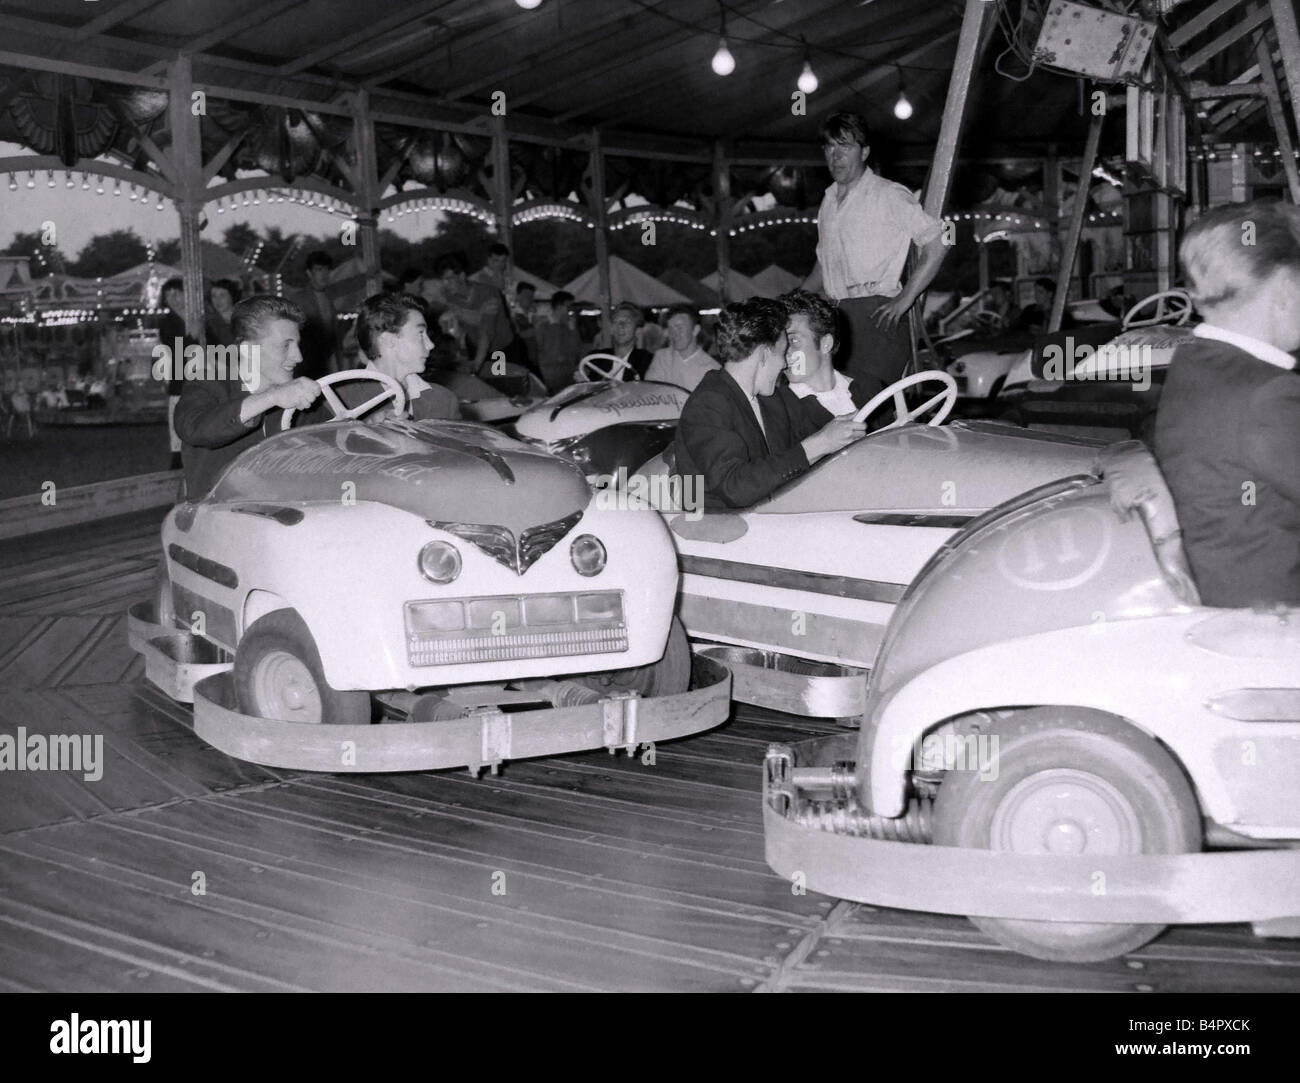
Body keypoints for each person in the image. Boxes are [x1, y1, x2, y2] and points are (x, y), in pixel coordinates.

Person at [1153, 199, 1300, 608]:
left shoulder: (1195, 364)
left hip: (1222, 592)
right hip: (1273, 617)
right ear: (1286, 288)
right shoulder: (1267, 393)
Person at [671, 298, 864, 511]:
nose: (784, 364)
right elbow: (735, 487)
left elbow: (812, 441)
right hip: (722, 530)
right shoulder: (708, 403)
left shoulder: (769, 400)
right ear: (764, 354)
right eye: (782, 354)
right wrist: (817, 445)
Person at [814, 112, 947, 389]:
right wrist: (792, 300)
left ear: (864, 152)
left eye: (845, 146)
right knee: (844, 410)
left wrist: (904, 299)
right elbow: (822, 264)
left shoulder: (888, 194)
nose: (835, 156)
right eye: (830, 147)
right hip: (837, 315)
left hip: (877, 314)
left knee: (876, 410)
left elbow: (937, 244)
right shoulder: (827, 202)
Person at [174, 295, 321, 499]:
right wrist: (270, 398)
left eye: (297, 345)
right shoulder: (209, 382)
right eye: (285, 345)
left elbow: (330, 433)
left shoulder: (296, 395)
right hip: (212, 515)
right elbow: (194, 428)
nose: (298, 357)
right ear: (248, 350)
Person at [331, 293, 459, 421]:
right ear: (388, 340)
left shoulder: (445, 400)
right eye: (420, 333)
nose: (430, 345)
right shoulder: (338, 400)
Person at [780, 289, 887, 412]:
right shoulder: (781, 408)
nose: (784, 352)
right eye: (781, 344)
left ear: (826, 343)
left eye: (793, 341)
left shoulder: (868, 385)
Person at [433, 251, 516, 375]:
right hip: (475, 346)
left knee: (501, 386)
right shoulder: (448, 294)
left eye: (449, 279)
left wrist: (476, 364)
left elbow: (487, 332)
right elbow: (435, 309)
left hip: (501, 350)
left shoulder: (489, 293)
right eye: (442, 280)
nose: (445, 284)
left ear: (461, 276)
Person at [158, 276, 194, 470]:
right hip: (180, 381)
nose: (173, 298)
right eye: (168, 294)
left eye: (177, 293)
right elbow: (177, 347)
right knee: (177, 428)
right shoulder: (167, 323)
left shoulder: (199, 318)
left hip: (203, 378)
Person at [645, 304, 720, 391]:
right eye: (670, 329)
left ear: (695, 330)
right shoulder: (662, 357)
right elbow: (650, 392)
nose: (674, 334)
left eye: (679, 328)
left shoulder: (712, 369)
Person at [290, 251, 340, 379]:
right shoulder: (298, 299)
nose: (324, 274)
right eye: (319, 269)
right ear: (309, 273)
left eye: (327, 269)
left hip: (329, 360)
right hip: (307, 363)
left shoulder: (330, 298)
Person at [580, 301, 652, 381]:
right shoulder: (595, 359)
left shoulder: (647, 361)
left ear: (637, 331)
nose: (621, 326)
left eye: (627, 322)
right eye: (616, 322)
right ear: (611, 329)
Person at [535, 290, 582, 393]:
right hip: (551, 377)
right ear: (559, 307)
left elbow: (576, 351)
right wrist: (555, 327)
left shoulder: (569, 326)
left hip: (568, 377)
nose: (570, 311)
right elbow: (552, 352)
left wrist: (573, 331)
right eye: (568, 307)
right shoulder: (543, 326)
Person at [205, 278, 241, 347]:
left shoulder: (242, 319)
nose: (218, 300)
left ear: (231, 296)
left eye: (222, 295)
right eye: (214, 296)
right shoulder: (209, 323)